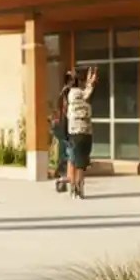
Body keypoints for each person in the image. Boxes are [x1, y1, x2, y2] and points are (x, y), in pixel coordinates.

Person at [66, 68, 99, 199]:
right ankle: (77, 188)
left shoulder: (71, 95)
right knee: (80, 163)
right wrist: (90, 83)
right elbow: (86, 93)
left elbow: (86, 92)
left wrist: (90, 83)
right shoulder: (76, 95)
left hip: (77, 133)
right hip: (83, 133)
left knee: (75, 161)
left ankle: (75, 188)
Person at [53, 72, 75, 193]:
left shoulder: (64, 92)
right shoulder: (67, 92)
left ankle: (63, 179)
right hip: (65, 127)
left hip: (65, 127)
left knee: (65, 153)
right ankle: (62, 180)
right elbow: (64, 110)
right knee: (66, 154)